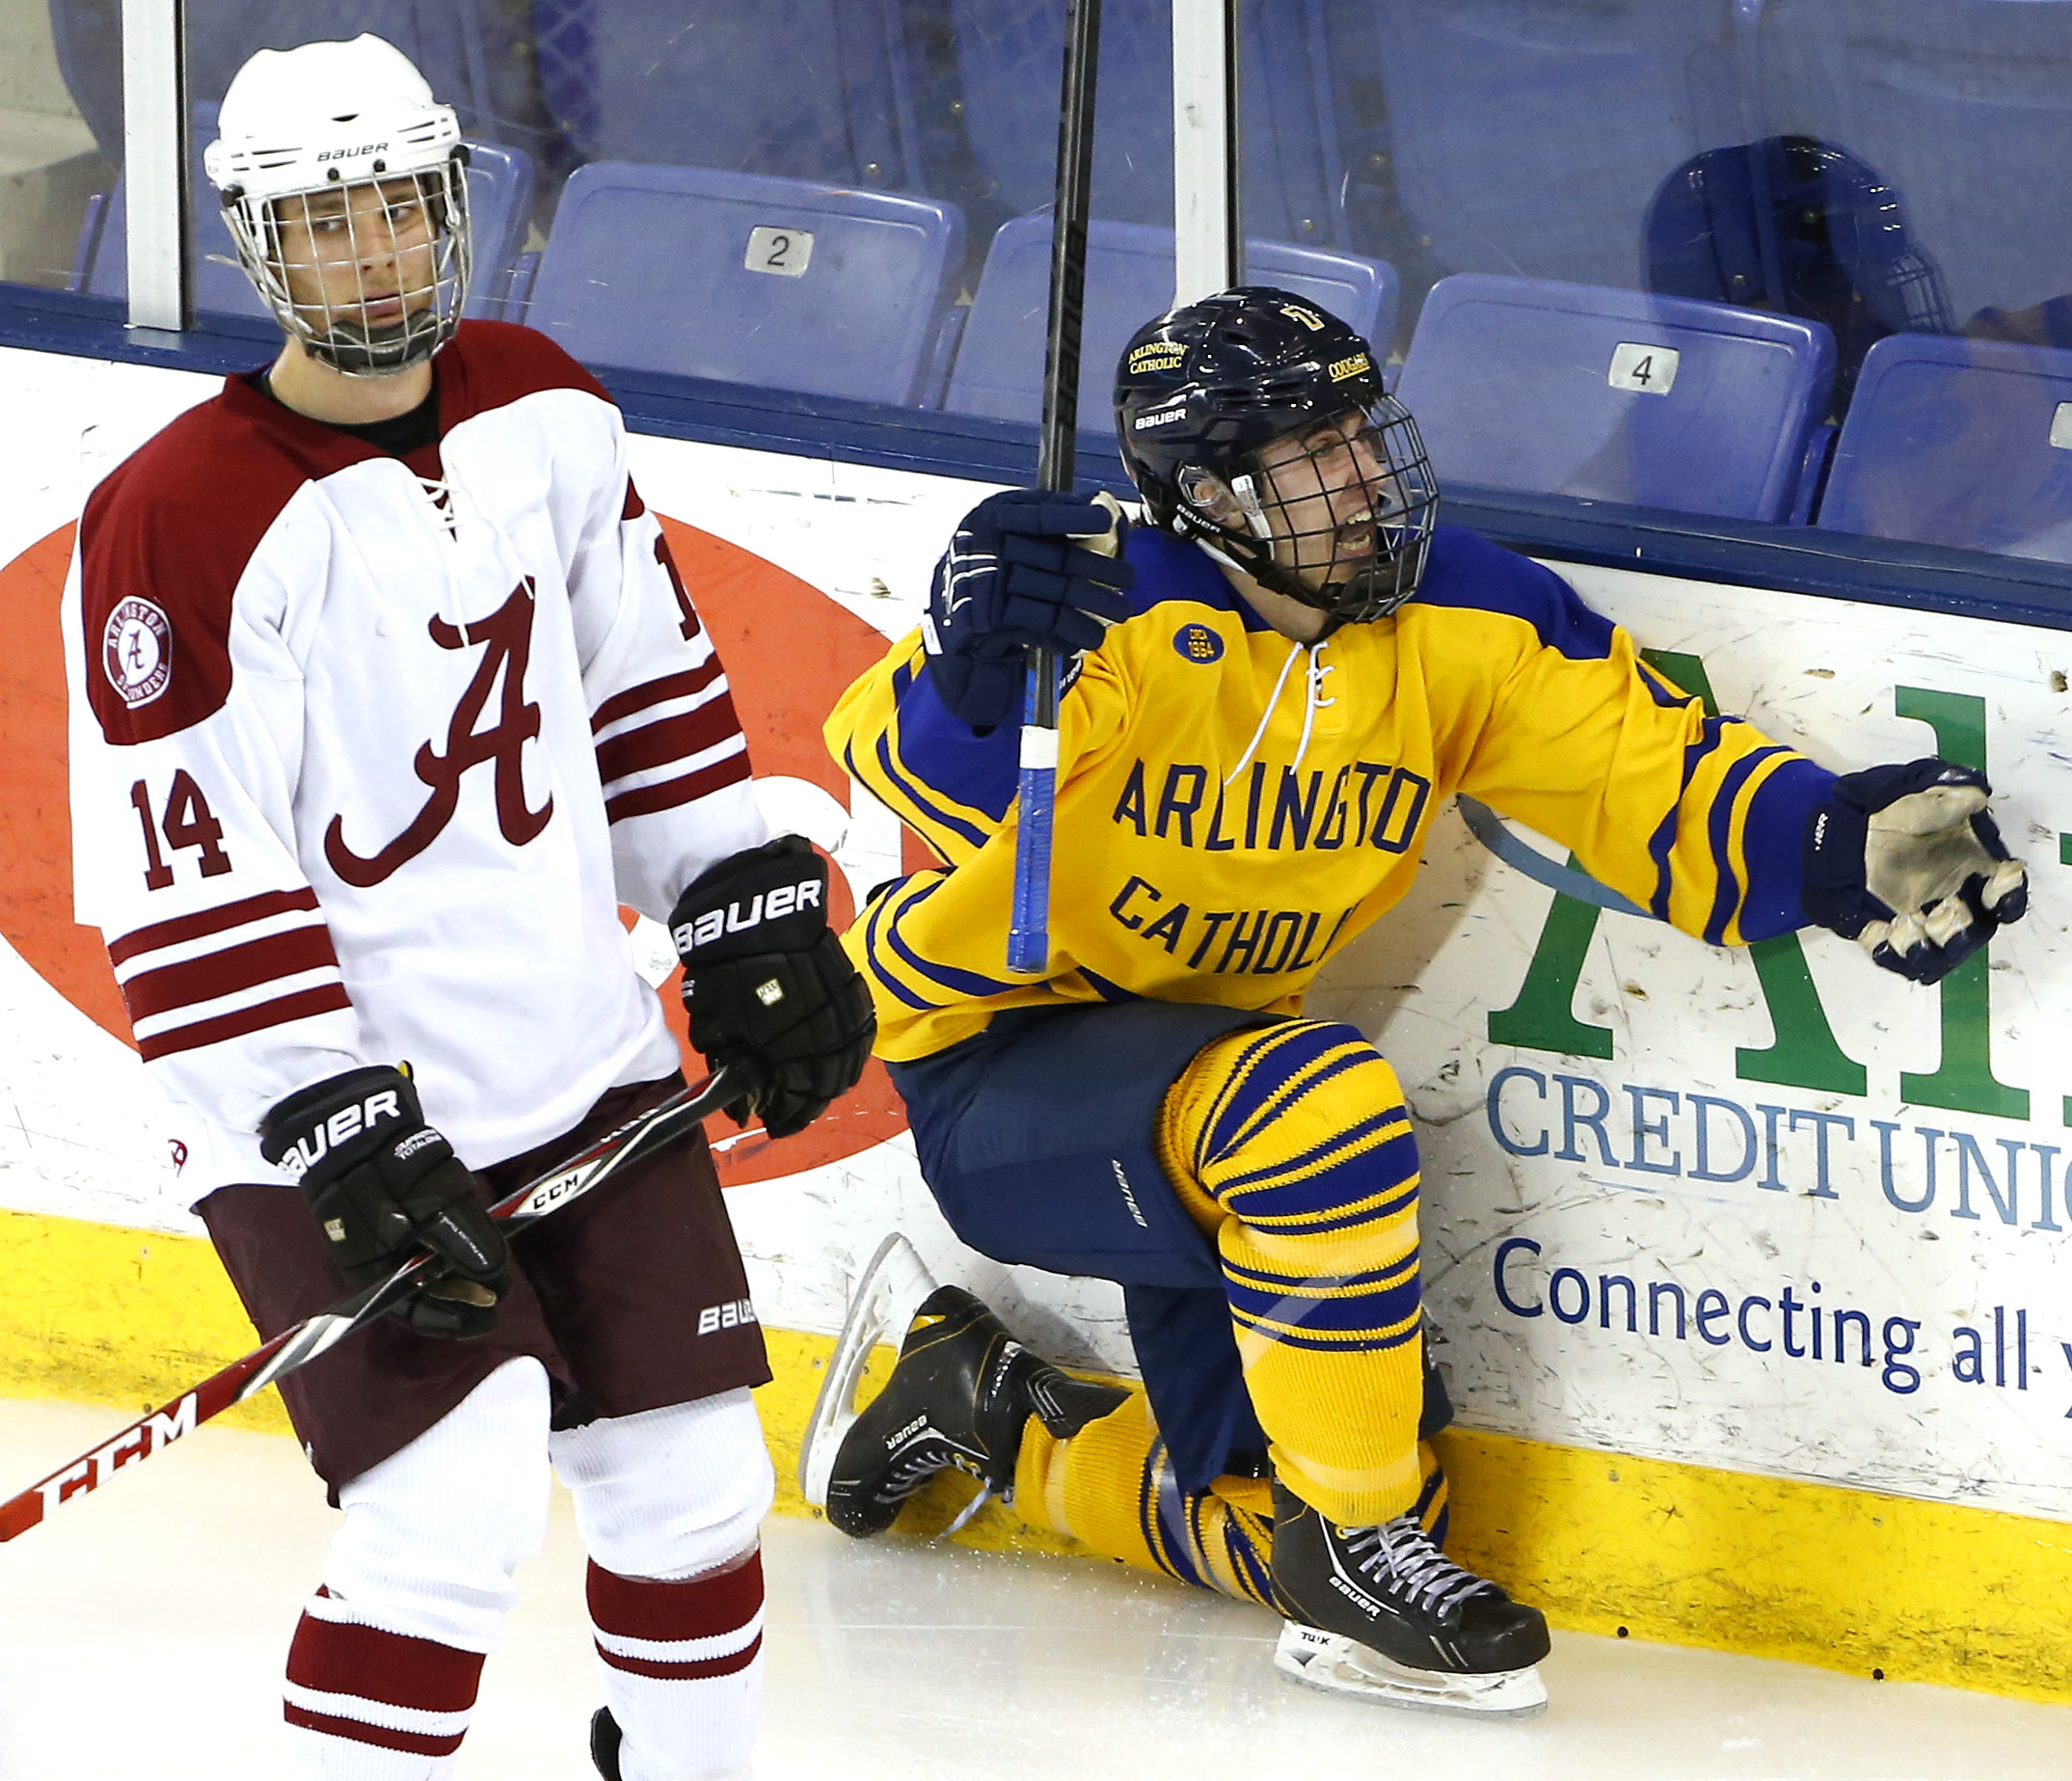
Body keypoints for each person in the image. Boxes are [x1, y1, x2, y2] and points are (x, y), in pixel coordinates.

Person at [815, 286, 2028, 1714]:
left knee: (1314, 1517)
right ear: (1205, 496)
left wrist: (1831, 845)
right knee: (1319, 1110)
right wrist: (968, 671)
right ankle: (1353, 1531)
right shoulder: (1098, 606)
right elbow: (926, 778)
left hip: (1214, 1094)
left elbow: (1649, 773)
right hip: (1007, 1072)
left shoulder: (1469, 612)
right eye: (1311, 460)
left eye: (1363, 438)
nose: (1363, 481)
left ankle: (995, 1420)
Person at [62, 35, 873, 1781]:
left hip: (577, 1063)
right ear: (257, 247)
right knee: (448, 1510)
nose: (372, 255)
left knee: (692, 1483)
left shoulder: (539, 403)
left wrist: (738, 901)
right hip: (328, 1111)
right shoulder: (179, 520)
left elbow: (642, 690)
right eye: (324, 222)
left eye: (396, 212)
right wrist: (334, 1125)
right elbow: (187, 875)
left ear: (451, 210)